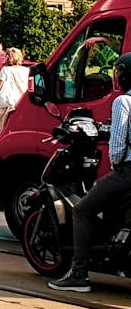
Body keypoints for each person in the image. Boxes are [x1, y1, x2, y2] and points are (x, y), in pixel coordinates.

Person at [49, 53, 131, 293]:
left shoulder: (123, 102)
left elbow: (117, 146)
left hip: (128, 172)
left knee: (82, 210)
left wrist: (117, 168)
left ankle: (79, 274)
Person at [0, 47, 30, 145]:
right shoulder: (26, 70)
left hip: (8, 100)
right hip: (20, 100)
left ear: (9, 57)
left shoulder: (6, 69)